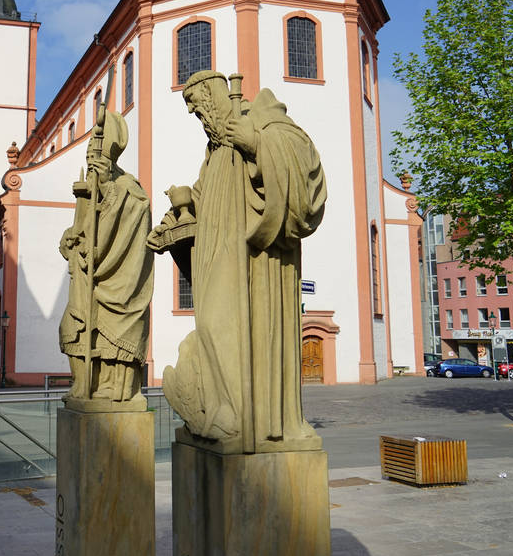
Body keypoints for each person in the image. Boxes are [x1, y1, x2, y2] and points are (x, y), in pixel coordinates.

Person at [149, 70, 326, 451]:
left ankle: (241, 417)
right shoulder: (214, 151)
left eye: (196, 105)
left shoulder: (262, 118)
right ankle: (224, 411)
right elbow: (204, 198)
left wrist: (256, 144)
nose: (195, 115)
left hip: (252, 262)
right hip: (216, 256)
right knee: (211, 328)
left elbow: (304, 164)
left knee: (223, 327)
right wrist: (175, 218)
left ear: (212, 95)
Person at [58, 106, 153, 403]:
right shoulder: (92, 189)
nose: (90, 161)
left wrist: (108, 190)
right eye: (88, 156)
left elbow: (131, 219)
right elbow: (83, 231)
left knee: (115, 335)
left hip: (118, 281)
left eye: (95, 156)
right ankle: (83, 385)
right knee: (71, 329)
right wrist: (70, 239)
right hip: (86, 279)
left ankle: (114, 388)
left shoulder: (128, 188)